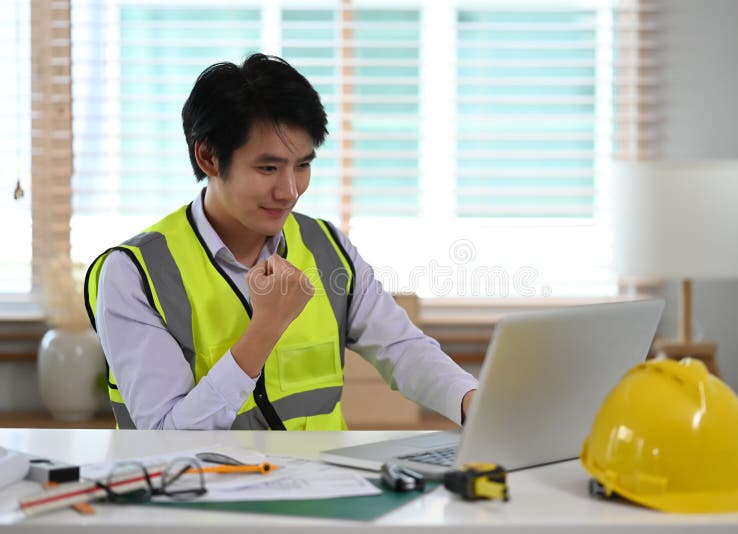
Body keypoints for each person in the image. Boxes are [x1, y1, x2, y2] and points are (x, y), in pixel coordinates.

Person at [84, 54, 478, 430]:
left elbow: (402, 348)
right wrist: (265, 329)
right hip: (206, 494)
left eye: (303, 165)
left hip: (331, 487)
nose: (289, 190)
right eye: (268, 167)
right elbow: (165, 433)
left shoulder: (326, 245)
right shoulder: (133, 273)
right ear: (207, 157)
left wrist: (471, 401)